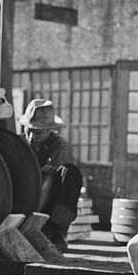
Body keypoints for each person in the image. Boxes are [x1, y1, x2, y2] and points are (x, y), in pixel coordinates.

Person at [18, 98, 84, 251]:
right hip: (20, 200)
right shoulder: (19, 143)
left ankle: (56, 232)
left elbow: (49, 181)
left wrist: (35, 220)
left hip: (47, 204)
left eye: (38, 132)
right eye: (30, 130)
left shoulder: (60, 146)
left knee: (71, 173)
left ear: (50, 130)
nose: (32, 137)